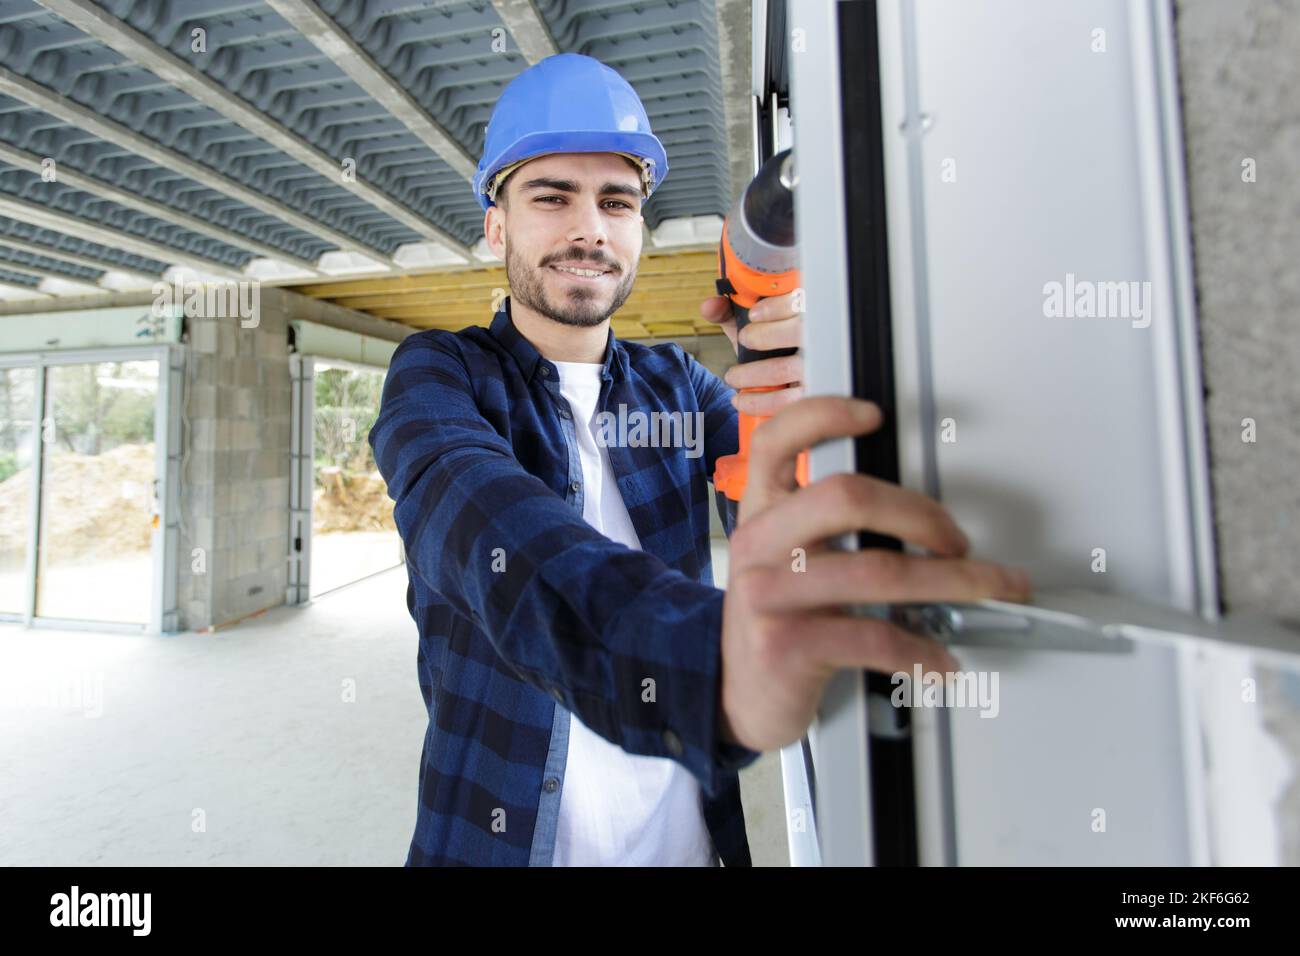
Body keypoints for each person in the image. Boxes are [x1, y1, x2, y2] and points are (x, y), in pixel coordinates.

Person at [368, 52, 1031, 867]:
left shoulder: (679, 388)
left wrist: (791, 389)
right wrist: (712, 666)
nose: (590, 229)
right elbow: (485, 534)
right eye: (552, 197)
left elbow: (782, 529)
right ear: (496, 223)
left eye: (617, 201)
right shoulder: (440, 375)